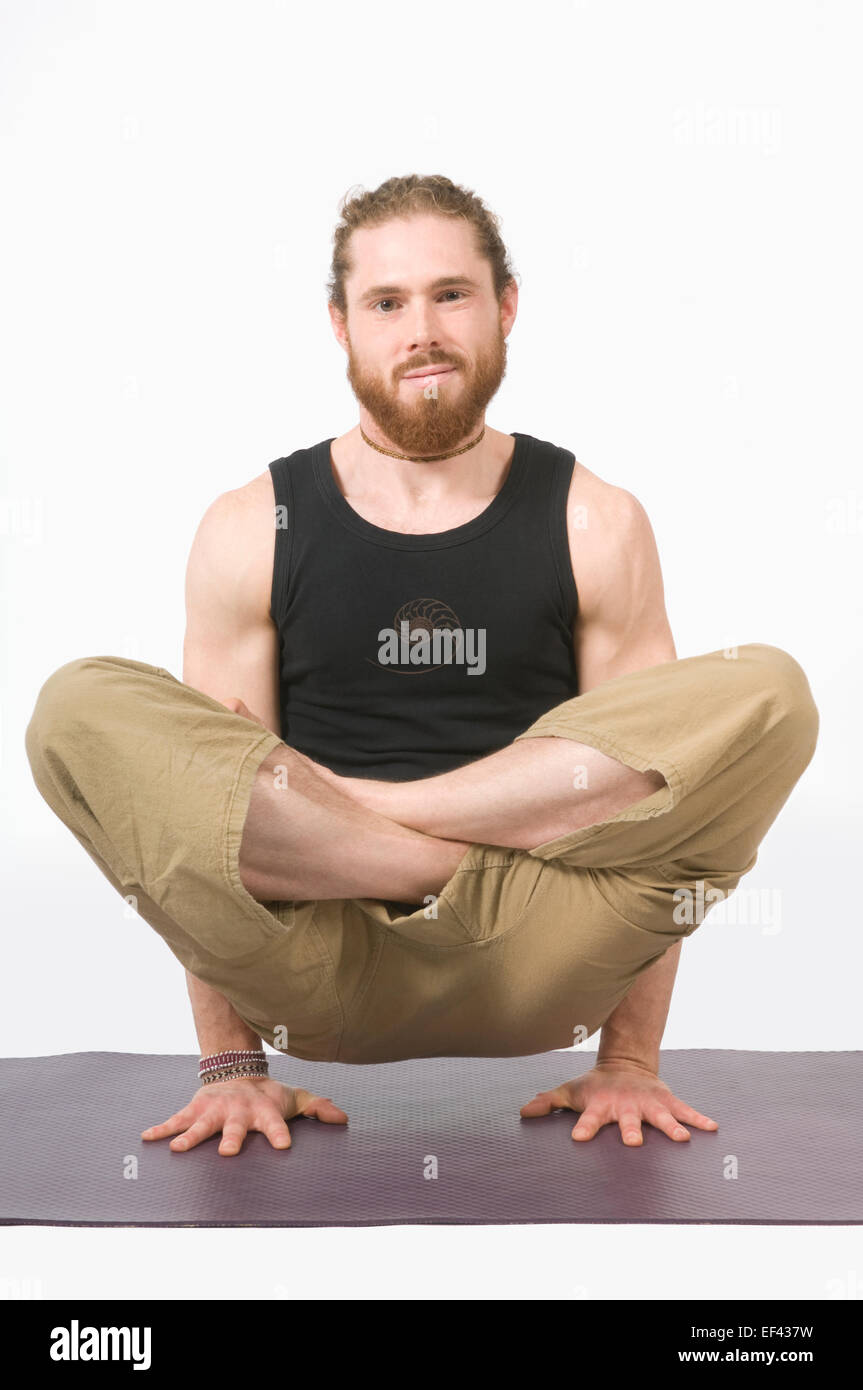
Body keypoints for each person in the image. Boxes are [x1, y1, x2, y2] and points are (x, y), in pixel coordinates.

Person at [24, 174, 819, 1158]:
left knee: (771, 691)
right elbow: (205, 811)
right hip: (317, 953)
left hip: (539, 943)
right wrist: (231, 1068)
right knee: (75, 707)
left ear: (506, 307)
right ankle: (421, 849)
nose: (422, 330)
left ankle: (390, 824)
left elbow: (658, 803)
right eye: (386, 303)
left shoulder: (594, 518)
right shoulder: (248, 526)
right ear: (340, 325)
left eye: (451, 294)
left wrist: (627, 1061)